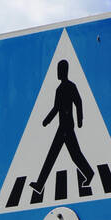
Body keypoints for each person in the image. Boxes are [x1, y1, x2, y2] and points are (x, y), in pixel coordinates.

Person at [29, 59, 95, 200]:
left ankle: (89, 174)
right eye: (58, 69)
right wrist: (47, 120)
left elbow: (79, 102)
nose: (58, 72)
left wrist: (80, 120)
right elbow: (56, 108)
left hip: (67, 127)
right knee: (60, 155)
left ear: (65, 71)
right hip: (62, 126)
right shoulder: (58, 89)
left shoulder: (71, 86)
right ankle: (40, 185)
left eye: (60, 70)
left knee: (70, 155)